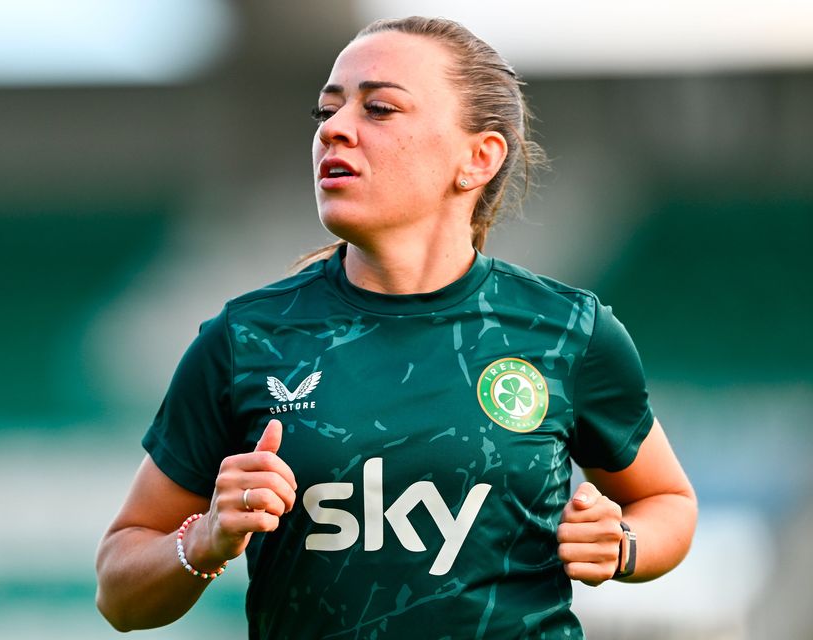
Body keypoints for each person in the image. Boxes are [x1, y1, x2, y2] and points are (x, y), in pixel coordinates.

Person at [95, 16, 697, 639]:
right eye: (326, 110)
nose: (333, 128)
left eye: (379, 108)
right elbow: (119, 591)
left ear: (478, 157)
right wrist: (208, 539)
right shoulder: (245, 338)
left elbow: (666, 503)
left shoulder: (569, 329)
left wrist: (622, 543)